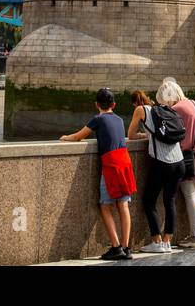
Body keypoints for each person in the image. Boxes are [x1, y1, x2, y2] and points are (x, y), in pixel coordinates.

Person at [59, 87, 135, 260]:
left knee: (105, 205)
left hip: (111, 164)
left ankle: (116, 248)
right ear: (114, 104)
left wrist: (65, 137)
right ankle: (126, 246)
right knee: (123, 206)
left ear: (96, 105)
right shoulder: (119, 119)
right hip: (125, 162)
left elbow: (79, 136)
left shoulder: (98, 119)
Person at [128, 85, 187, 253]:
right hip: (179, 162)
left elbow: (131, 135)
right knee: (169, 201)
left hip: (162, 161)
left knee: (148, 200)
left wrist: (142, 134)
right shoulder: (164, 110)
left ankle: (156, 241)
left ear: (136, 103)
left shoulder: (141, 110)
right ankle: (167, 242)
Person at [158, 77, 195, 249]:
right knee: (194, 196)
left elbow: (173, 134)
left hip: (186, 157)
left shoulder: (176, 109)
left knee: (190, 196)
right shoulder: (192, 104)